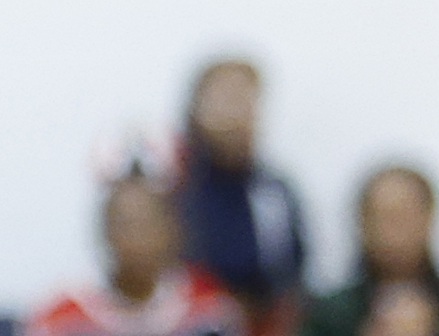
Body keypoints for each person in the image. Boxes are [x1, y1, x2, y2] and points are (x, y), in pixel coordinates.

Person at [177, 60, 309, 335]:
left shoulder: (275, 191)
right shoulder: (173, 189)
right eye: (225, 99)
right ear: (197, 109)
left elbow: (292, 272)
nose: (236, 113)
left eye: (245, 100)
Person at [27, 171, 246, 336]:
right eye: (125, 224)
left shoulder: (209, 313)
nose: (137, 239)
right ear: (105, 232)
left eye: (148, 224)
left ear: (172, 231)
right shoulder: (62, 319)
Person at [302, 167, 439, 336]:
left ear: (428, 217)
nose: (392, 234)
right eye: (381, 218)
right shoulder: (329, 313)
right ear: (362, 224)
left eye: (402, 216)